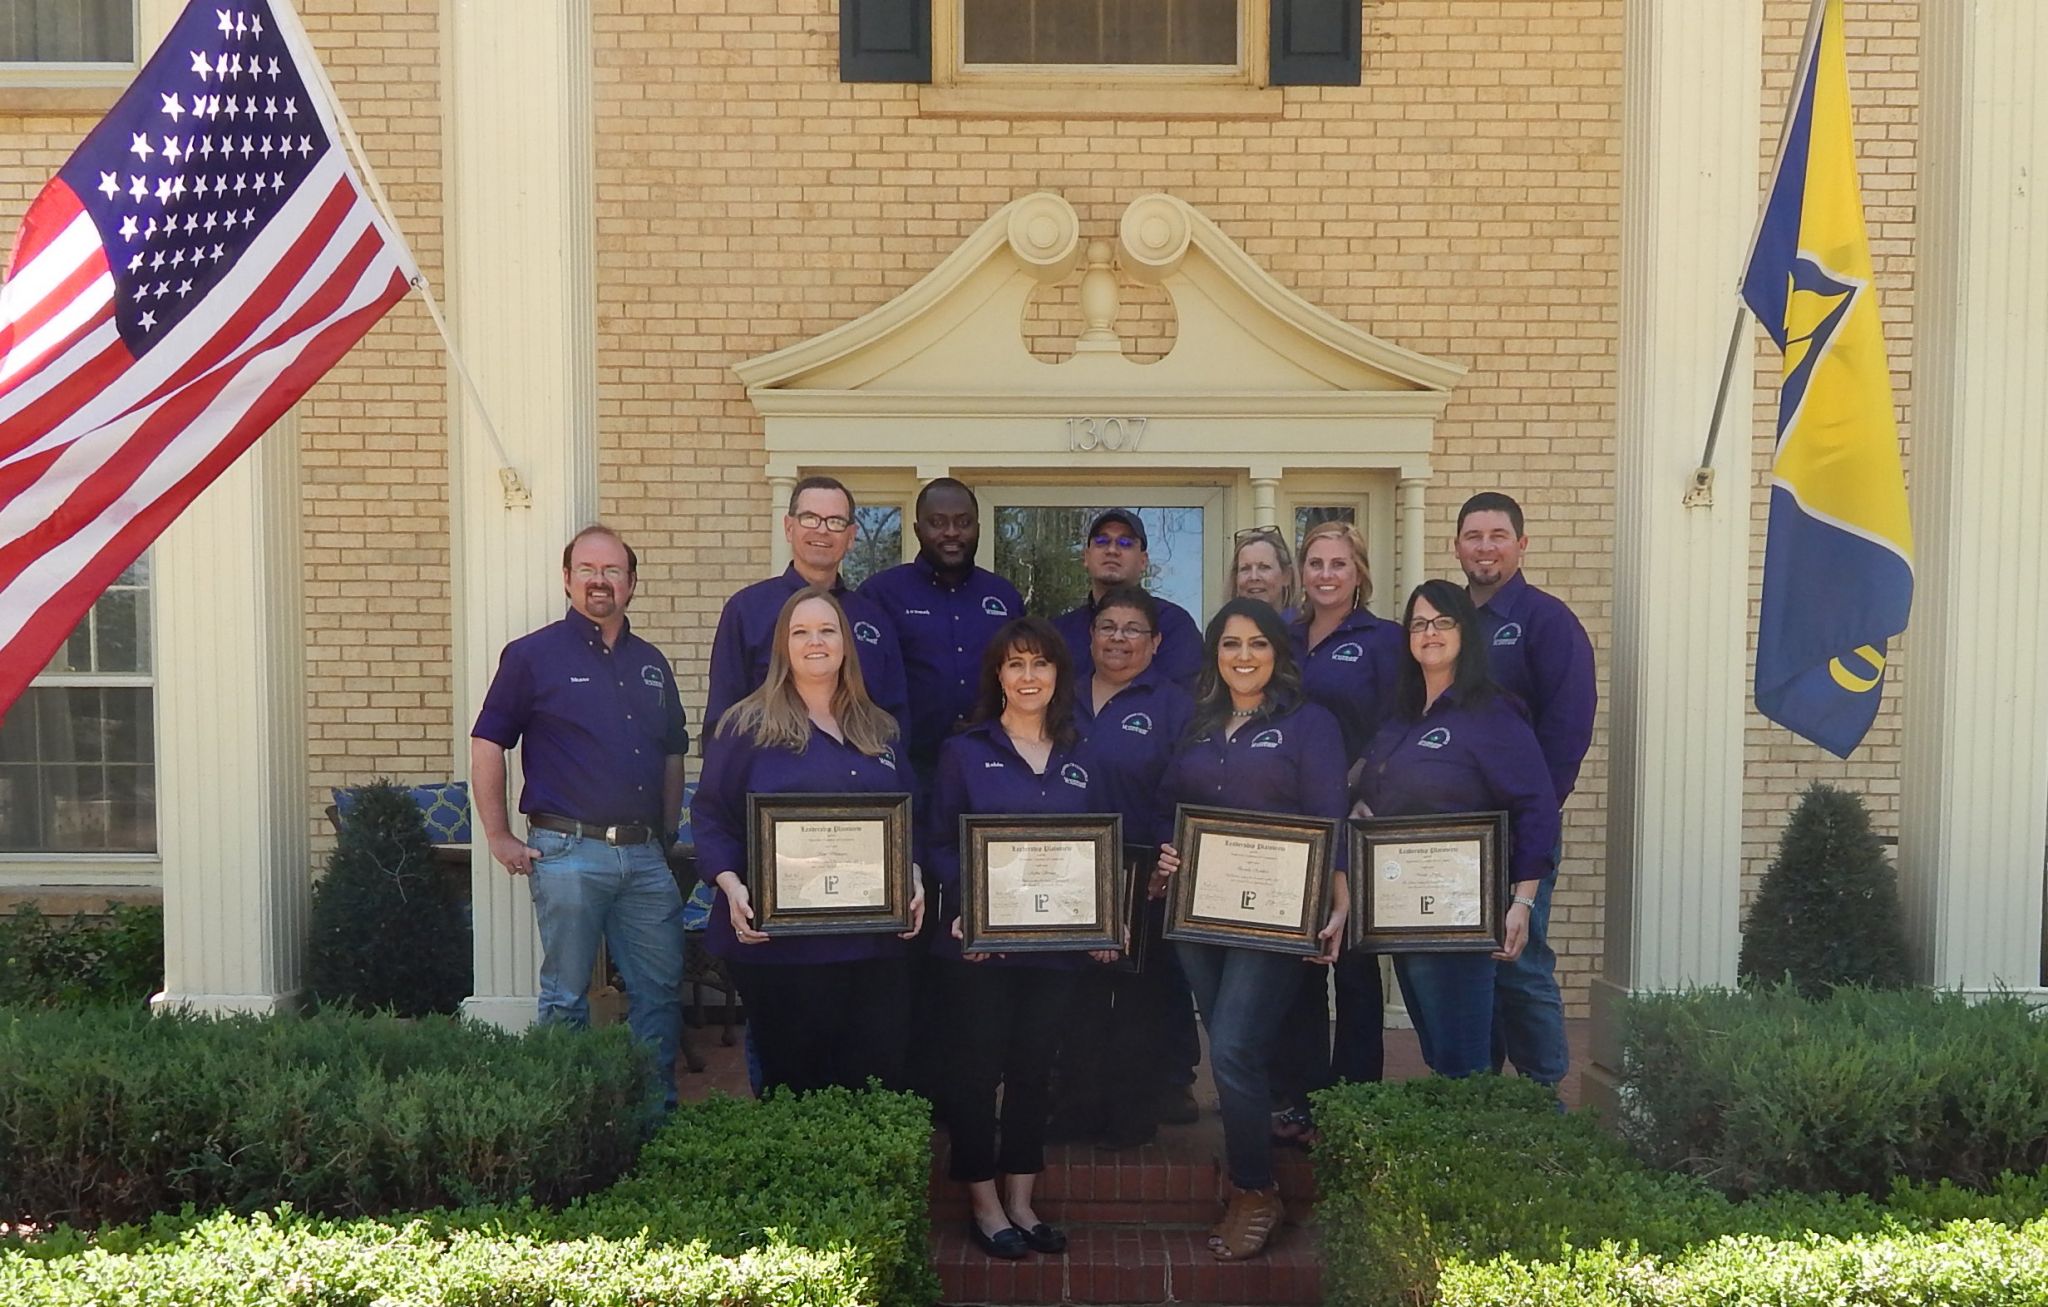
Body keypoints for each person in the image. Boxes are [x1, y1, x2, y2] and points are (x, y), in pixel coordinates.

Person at [1154, 598, 1349, 1262]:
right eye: (1231, 644)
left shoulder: (1309, 723)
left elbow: (1329, 817)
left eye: (1257, 643)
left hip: (1275, 915)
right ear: (1215, 654)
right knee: (1235, 1049)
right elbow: (1166, 805)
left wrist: (1337, 903)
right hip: (1196, 912)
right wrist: (1165, 853)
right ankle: (1253, 1171)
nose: (1244, 656)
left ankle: (1255, 1190)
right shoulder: (1197, 723)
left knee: (1234, 1047)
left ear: (1277, 653)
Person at [470, 524, 688, 1108]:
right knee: (566, 998)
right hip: (567, 852)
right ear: (567, 579)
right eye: (588, 569)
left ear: (631, 582)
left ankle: (653, 1120)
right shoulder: (531, 656)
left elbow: (674, 752)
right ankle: (565, 1122)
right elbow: (488, 742)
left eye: (613, 570)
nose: (600, 580)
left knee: (660, 995)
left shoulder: (651, 663)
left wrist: (666, 834)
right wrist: (498, 834)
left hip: (645, 857)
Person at [689, 587, 925, 1094]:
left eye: (826, 630)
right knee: (794, 1088)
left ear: (845, 643)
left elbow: (910, 818)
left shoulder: (879, 729)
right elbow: (710, 815)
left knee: (876, 1080)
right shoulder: (746, 726)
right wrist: (731, 885)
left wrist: (914, 873)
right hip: (781, 950)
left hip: (871, 945)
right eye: (800, 632)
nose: (815, 642)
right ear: (783, 646)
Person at [930, 617, 1109, 1261]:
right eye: (1015, 664)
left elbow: (1103, 843)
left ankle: (1023, 1201)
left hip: (1055, 949)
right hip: (983, 946)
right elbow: (937, 844)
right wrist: (966, 907)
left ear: (1059, 675)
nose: (1028, 676)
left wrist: (1107, 915)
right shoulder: (964, 751)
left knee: (1035, 1071)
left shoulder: (1082, 755)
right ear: (998, 677)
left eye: (1040, 664)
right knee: (977, 1073)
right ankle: (984, 1204)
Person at [1354, 580, 1560, 1079]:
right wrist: (1362, 803)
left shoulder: (1492, 712)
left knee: (1461, 1058)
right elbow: (1381, 787)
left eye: (1442, 622)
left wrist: (1522, 902)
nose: (1430, 633)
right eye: (1419, 624)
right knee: (1438, 1044)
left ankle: (1501, 1124)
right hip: (1406, 909)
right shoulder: (1403, 716)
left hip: (1464, 912)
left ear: (1465, 631)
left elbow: (1536, 806)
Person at [1454, 493, 1595, 1088]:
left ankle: (1543, 1095)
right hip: (1452, 831)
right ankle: (1481, 1093)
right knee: (1469, 967)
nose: (1485, 548)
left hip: (1518, 830)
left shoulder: (1547, 621)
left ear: (1522, 544)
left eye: (1498, 536)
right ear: (1457, 546)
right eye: (1474, 536)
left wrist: (1534, 820)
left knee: (1521, 959)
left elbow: (1568, 731)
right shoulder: (1448, 620)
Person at [1058, 586, 1199, 1149]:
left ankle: (1130, 1115)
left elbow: (1184, 791)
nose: (1119, 639)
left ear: (1156, 641)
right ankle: (1074, 1107)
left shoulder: (1175, 706)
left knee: (1139, 999)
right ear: (1090, 636)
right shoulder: (1060, 696)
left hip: (1144, 875)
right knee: (1075, 996)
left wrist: (1167, 860)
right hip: (1066, 872)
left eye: (1133, 629)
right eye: (1107, 627)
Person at [1291, 519, 1406, 1092]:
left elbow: (1399, 722)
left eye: (1338, 564)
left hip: (1356, 818)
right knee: (1299, 963)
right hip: (1292, 824)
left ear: (1359, 572)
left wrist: (1354, 784)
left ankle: (1355, 1097)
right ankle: (1304, 1095)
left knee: (1356, 965)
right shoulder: (1284, 637)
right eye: (1316, 563)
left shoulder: (1384, 640)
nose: (1326, 575)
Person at [705, 475, 910, 737]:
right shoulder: (746, 611)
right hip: (770, 760)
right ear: (789, 527)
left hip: (859, 761)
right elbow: (722, 719)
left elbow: (895, 719)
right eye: (810, 518)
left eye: (835, 521)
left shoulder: (873, 619)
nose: (822, 530)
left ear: (851, 536)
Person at [857, 477, 1023, 796]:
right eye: (937, 523)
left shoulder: (1003, 597)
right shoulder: (880, 594)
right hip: (908, 770)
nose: (951, 532)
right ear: (917, 530)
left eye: (963, 522)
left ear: (978, 528)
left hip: (992, 769)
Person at [1051, 509, 1202, 690]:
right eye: (1102, 541)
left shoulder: (1173, 624)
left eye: (1125, 543)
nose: (1112, 550)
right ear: (1086, 557)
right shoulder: (1060, 632)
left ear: (1143, 561)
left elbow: (1179, 699)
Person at [1230, 526, 1296, 613]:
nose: (1254, 577)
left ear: (1286, 576)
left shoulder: (1300, 621)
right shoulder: (1224, 621)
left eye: (1264, 567)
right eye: (1245, 569)